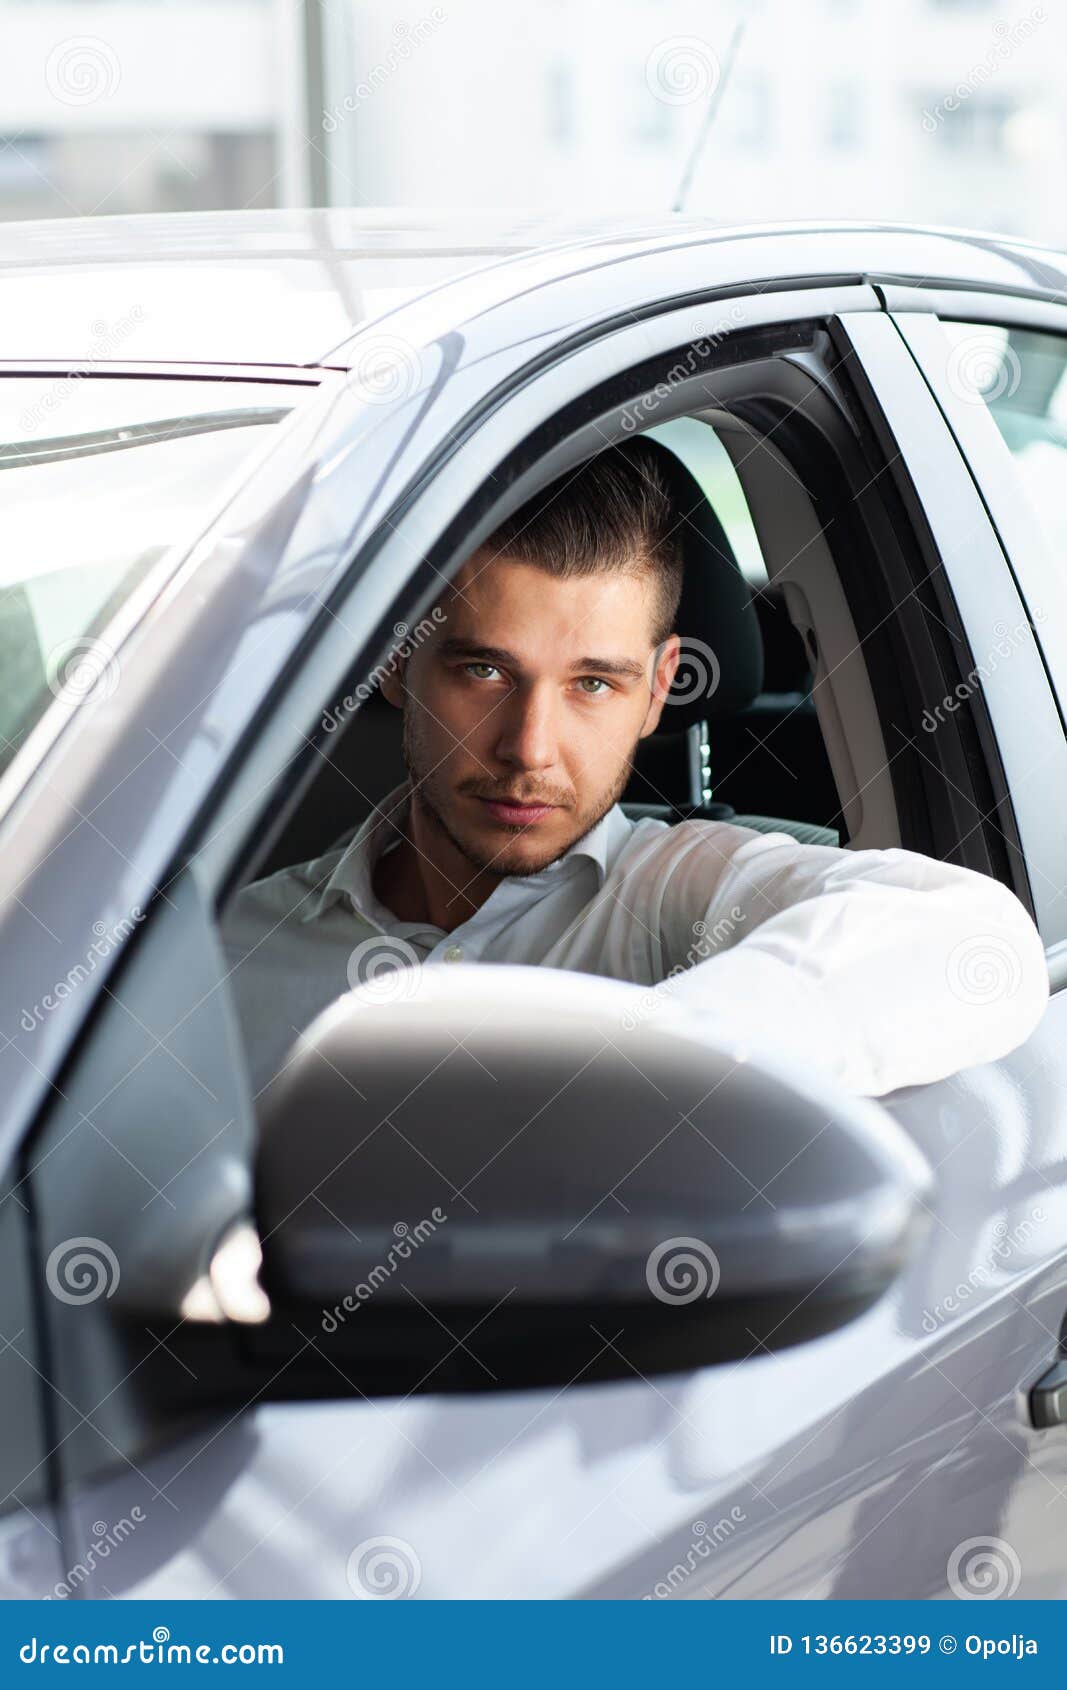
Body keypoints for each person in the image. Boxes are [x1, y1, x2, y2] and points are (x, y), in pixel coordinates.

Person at [223, 438, 1048, 1099]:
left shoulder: (685, 900)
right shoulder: (225, 951)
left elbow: (974, 943)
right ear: (399, 662)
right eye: (484, 672)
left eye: (592, 684)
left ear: (658, 690)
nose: (530, 748)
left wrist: (636, 1071)